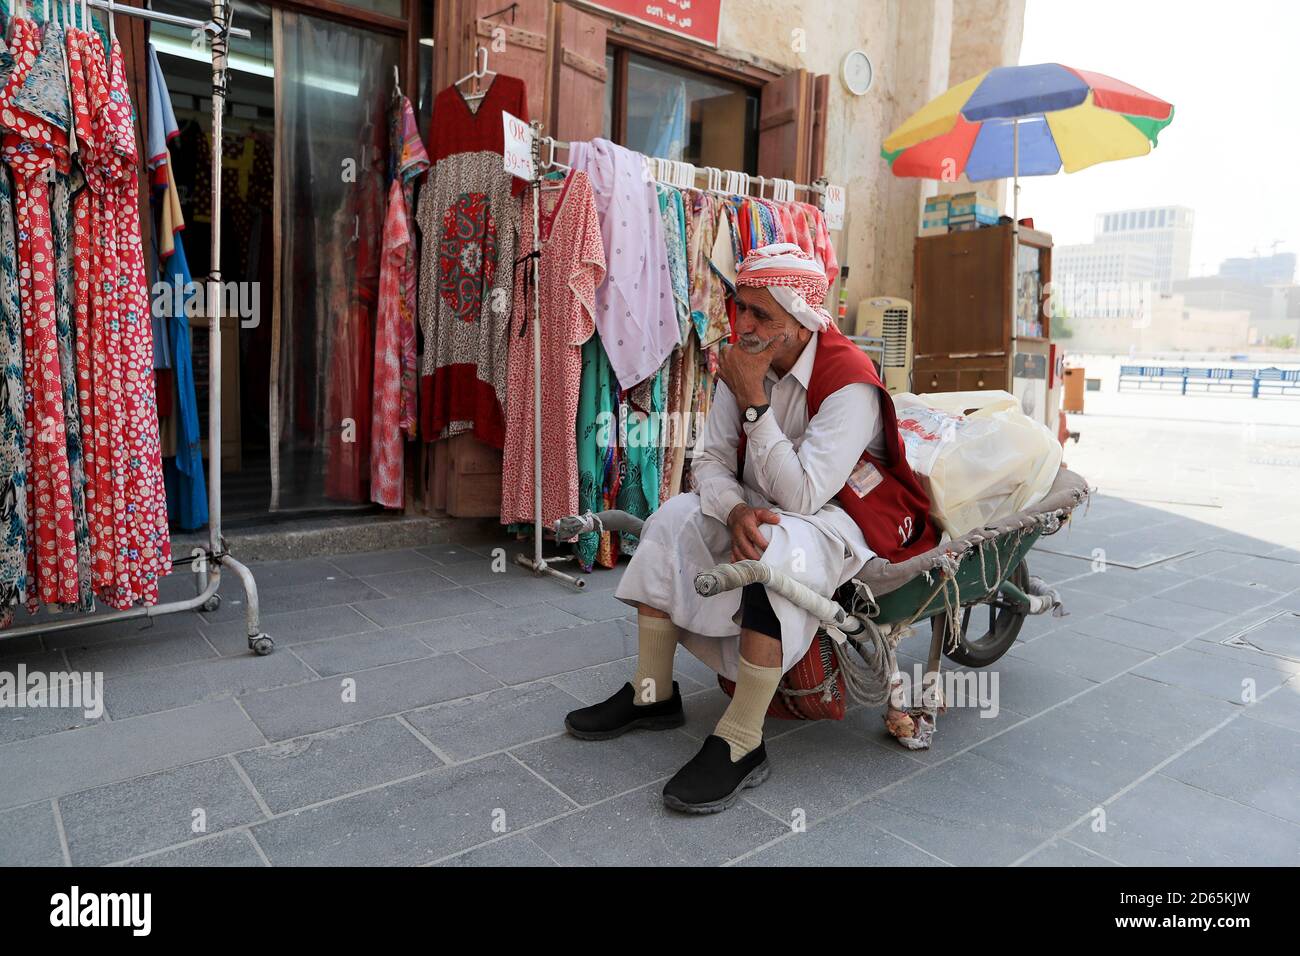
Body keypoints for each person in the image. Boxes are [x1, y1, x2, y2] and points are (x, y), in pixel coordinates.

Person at [563, 242, 937, 814]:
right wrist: (733, 510)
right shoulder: (740, 359)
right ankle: (652, 692)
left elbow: (806, 495)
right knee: (672, 518)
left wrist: (756, 402)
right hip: (760, 501)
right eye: (740, 308)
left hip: (839, 515)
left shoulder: (849, 382)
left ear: (801, 318)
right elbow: (708, 461)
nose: (744, 324)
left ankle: (742, 740)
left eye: (762, 314)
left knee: (772, 551)